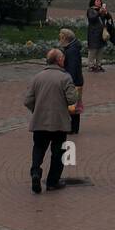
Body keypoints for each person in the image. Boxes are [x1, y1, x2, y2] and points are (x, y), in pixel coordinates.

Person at [24, 48, 78, 193]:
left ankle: (35, 171)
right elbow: (72, 99)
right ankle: (52, 182)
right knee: (58, 153)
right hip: (59, 123)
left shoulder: (38, 77)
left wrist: (37, 110)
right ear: (59, 60)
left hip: (40, 122)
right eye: (63, 58)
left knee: (39, 148)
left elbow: (27, 100)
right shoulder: (65, 78)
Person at [57, 28, 84, 134]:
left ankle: (71, 127)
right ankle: (74, 127)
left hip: (74, 81)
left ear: (65, 38)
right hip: (77, 80)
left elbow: (72, 67)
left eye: (60, 37)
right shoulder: (73, 47)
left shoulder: (71, 50)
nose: (59, 39)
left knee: (72, 103)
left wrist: (68, 81)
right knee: (74, 103)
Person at [86, 0, 114, 72]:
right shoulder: (90, 10)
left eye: (100, 1)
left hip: (101, 33)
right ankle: (91, 66)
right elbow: (92, 18)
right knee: (93, 50)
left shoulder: (101, 10)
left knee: (100, 50)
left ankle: (98, 65)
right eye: (97, 1)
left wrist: (106, 12)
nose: (99, 2)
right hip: (93, 33)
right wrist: (99, 12)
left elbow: (109, 18)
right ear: (93, 2)